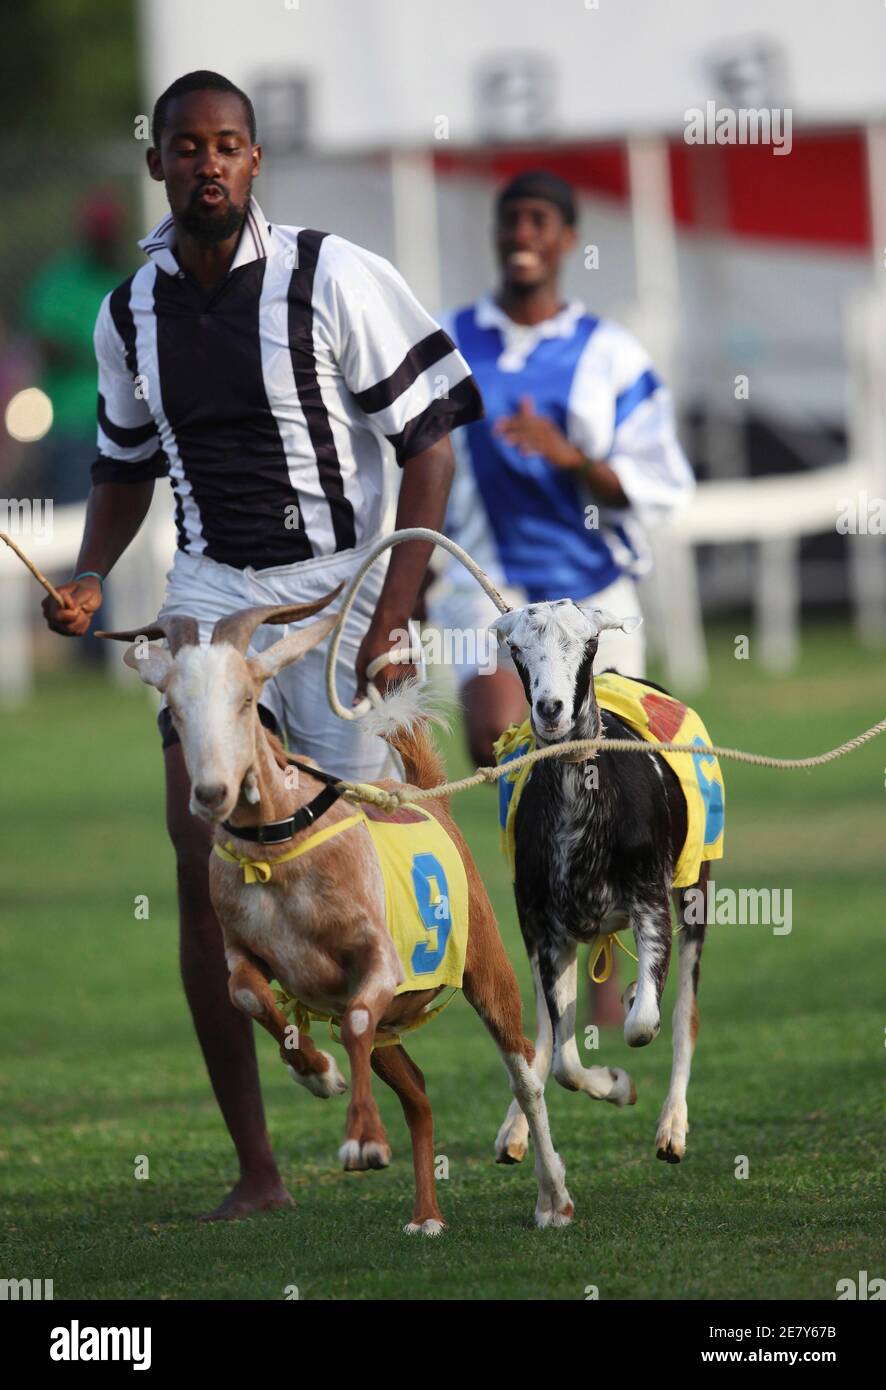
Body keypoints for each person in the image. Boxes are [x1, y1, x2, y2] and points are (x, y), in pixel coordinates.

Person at [42, 70, 482, 1220]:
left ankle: (427, 1102)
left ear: (254, 161)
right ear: (159, 164)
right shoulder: (127, 308)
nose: (209, 164)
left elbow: (428, 443)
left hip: (333, 597)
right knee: (198, 863)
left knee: (388, 861)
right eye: (187, 147)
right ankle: (258, 1170)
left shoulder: (329, 273)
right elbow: (121, 466)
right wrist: (89, 576)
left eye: (229, 145)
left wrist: (388, 620)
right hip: (206, 602)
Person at [428, 170, 694, 1024]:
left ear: (567, 234)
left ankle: (609, 973)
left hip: (594, 596)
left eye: (539, 219)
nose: (522, 234)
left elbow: (661, 482)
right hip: (488, 588)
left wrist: (569, 457)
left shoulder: (610, 354)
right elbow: (411, 462)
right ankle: (545, 941)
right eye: (510, 220)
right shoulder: (451, 342)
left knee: (619, 775)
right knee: (500, 739)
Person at [23, 194, 128, 506]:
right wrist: (99, 350)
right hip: (74, 423)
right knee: (78, 513)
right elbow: (46, 343)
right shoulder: (60, 282)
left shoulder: (126, 279)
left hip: (125, 424)